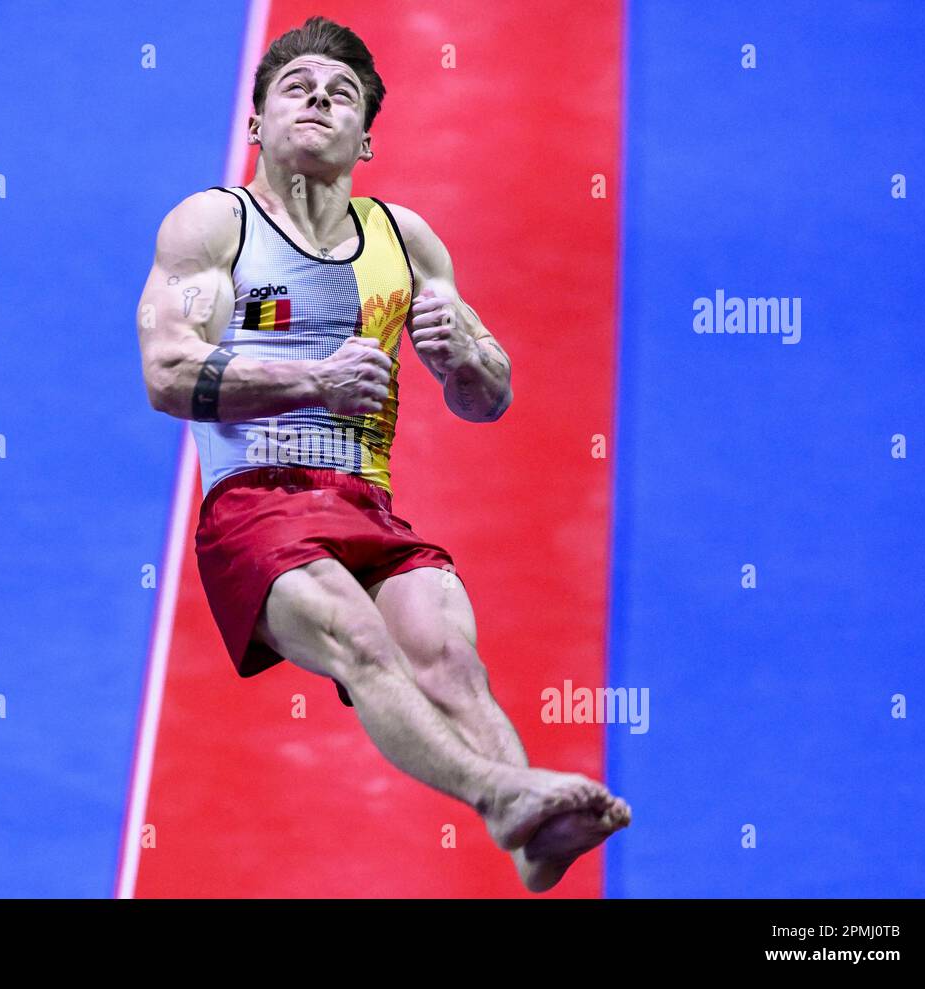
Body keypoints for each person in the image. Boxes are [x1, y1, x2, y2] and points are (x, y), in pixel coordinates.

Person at [136, 15, 629, 893]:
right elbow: (169, 373)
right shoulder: (215, 226)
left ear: (368, 135)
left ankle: (532, 834)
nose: (320, 99)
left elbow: (491, 396)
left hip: (367, 505)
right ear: (254, 124)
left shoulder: (407, 240)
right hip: (256, 502)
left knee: (446, 650)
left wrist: (465, 358)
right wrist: (311, 380)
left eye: (343, 94)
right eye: (296, 87)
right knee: (360, 638)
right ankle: (504, 791)